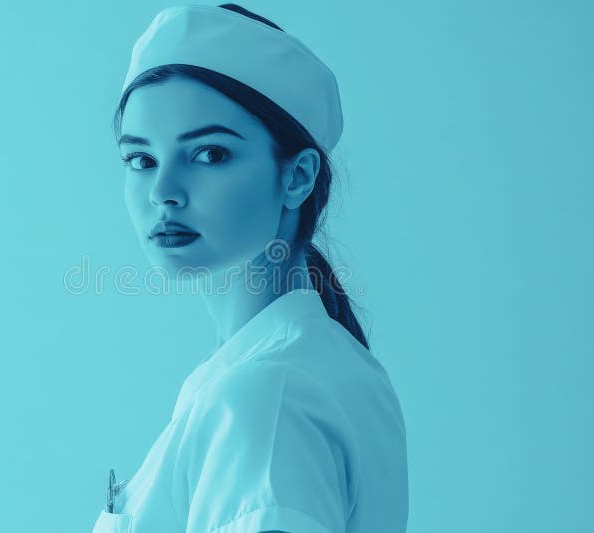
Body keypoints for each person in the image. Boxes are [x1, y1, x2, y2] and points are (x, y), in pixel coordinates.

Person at [92, 3, 408, 532]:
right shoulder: (294, 369)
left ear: (297, 177)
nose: (163, 192)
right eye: (141, 160)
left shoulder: (266, 397)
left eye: (209, 154)